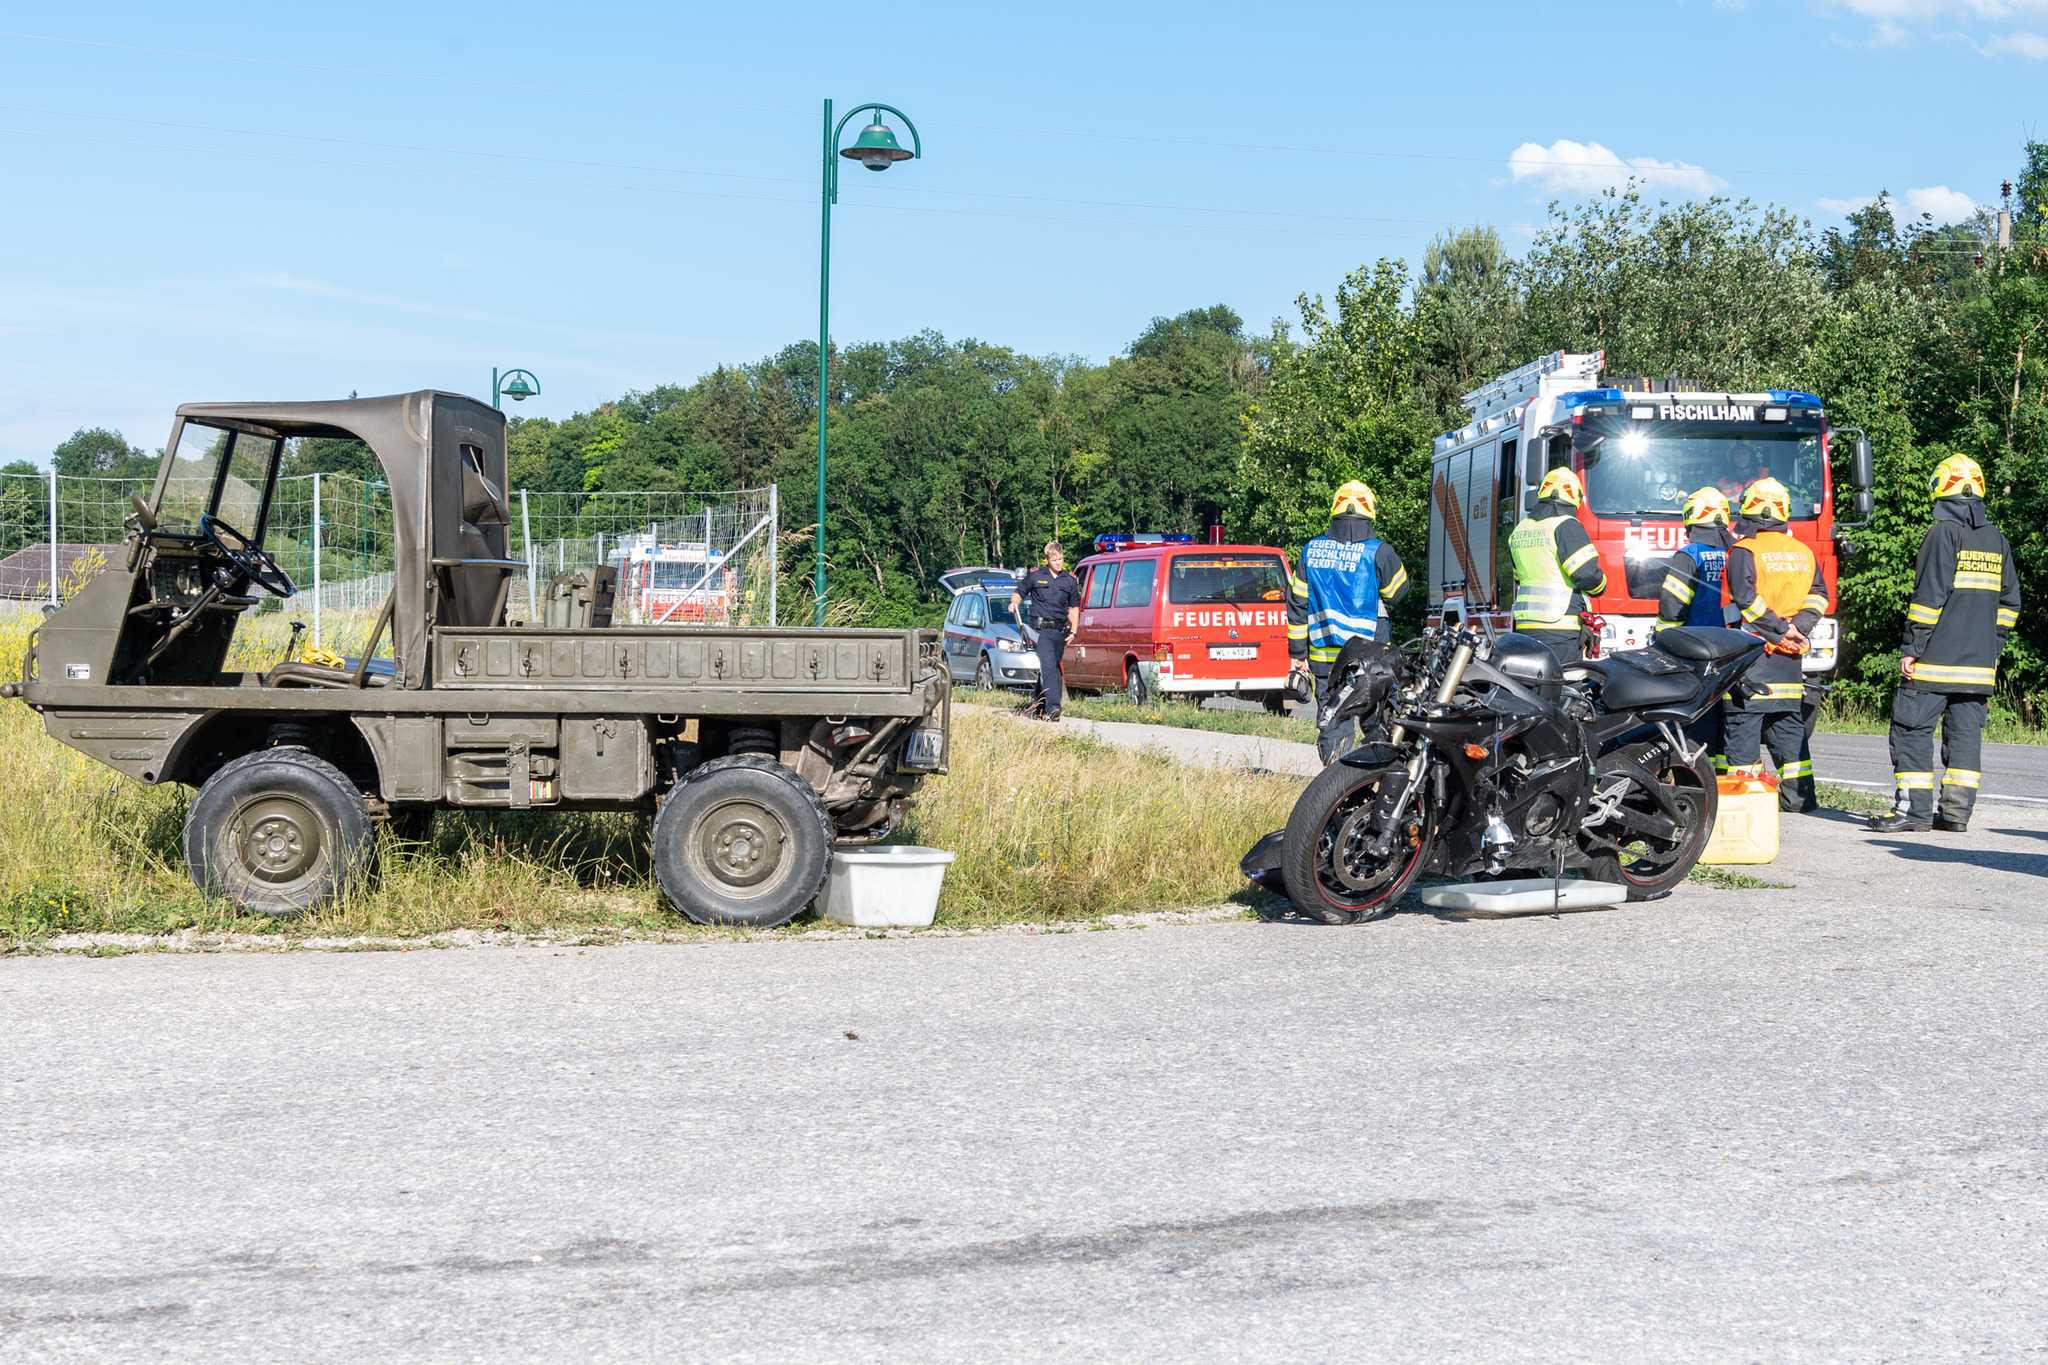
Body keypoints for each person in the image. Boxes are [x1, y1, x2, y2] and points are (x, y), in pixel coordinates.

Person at [1869, 454, 2021, 834]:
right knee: (1965, 739)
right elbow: (2010, 603)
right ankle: (1955, 815)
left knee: (1910, 729)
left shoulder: (1943, 533)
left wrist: (1912, 647)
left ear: (1941, 488)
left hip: (1934, 662)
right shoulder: (1996, 540)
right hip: (1978, 667)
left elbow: (1929, 598)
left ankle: (1913, 812)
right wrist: (1994, 649)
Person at [1721, 477, 1829, 813]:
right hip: (1789, 660)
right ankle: (1799, 799)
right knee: (1787, 723)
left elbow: (1746, 601)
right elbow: (1819, 596)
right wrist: (1799, 628)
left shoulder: (1744, 551)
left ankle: (1747, 802)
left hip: (1752, 656)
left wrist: (1779, 631)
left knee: (1743, 725)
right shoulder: (1803, 551)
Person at [1286, 480, 1410, 764]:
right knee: (1378, 721)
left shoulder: (1310, 551)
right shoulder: (1379, 551)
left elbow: (1297, 604)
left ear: (1335, 509)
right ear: (1370, 512)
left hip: (1325, 660)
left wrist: (1297, 653)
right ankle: (1379, 779)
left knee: (1333, 720)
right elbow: (1397, 593)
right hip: (1371, 657)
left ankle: (1335, 782)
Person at [1656, 485, 1736, 768]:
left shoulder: (1689, 554)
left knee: (1697, 714)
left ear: (1690, 517)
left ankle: (1698, 774)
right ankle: (1721, 775)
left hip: (1696, 647)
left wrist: (1663, 639)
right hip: (1733, 647)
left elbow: (1672, 603)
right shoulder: (1737, 552)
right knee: (1725, 716)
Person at [1506, 466, 1606, 665]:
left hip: (1525, 628)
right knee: (1565, 681)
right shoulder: (1566, 525)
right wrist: (1600, 586)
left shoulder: (1520, 529)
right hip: (1560, 628)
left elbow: (1519, 577)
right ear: (1575, 496)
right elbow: (1587, 575)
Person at [1009, 540, 1081, 722]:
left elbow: (1074, 608)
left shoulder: (1070, 580)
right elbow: (1019, 593)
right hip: (1040, 631)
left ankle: (1037, 706)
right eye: (1054, 559)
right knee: (1048, 664)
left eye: (1061, 558)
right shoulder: (1035, 575)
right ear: (1047, 559)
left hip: (1059, 631)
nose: (1058, 562)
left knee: (1050, 667)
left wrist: (1074, 631)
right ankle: (1053, 707)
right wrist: (1014, 603)